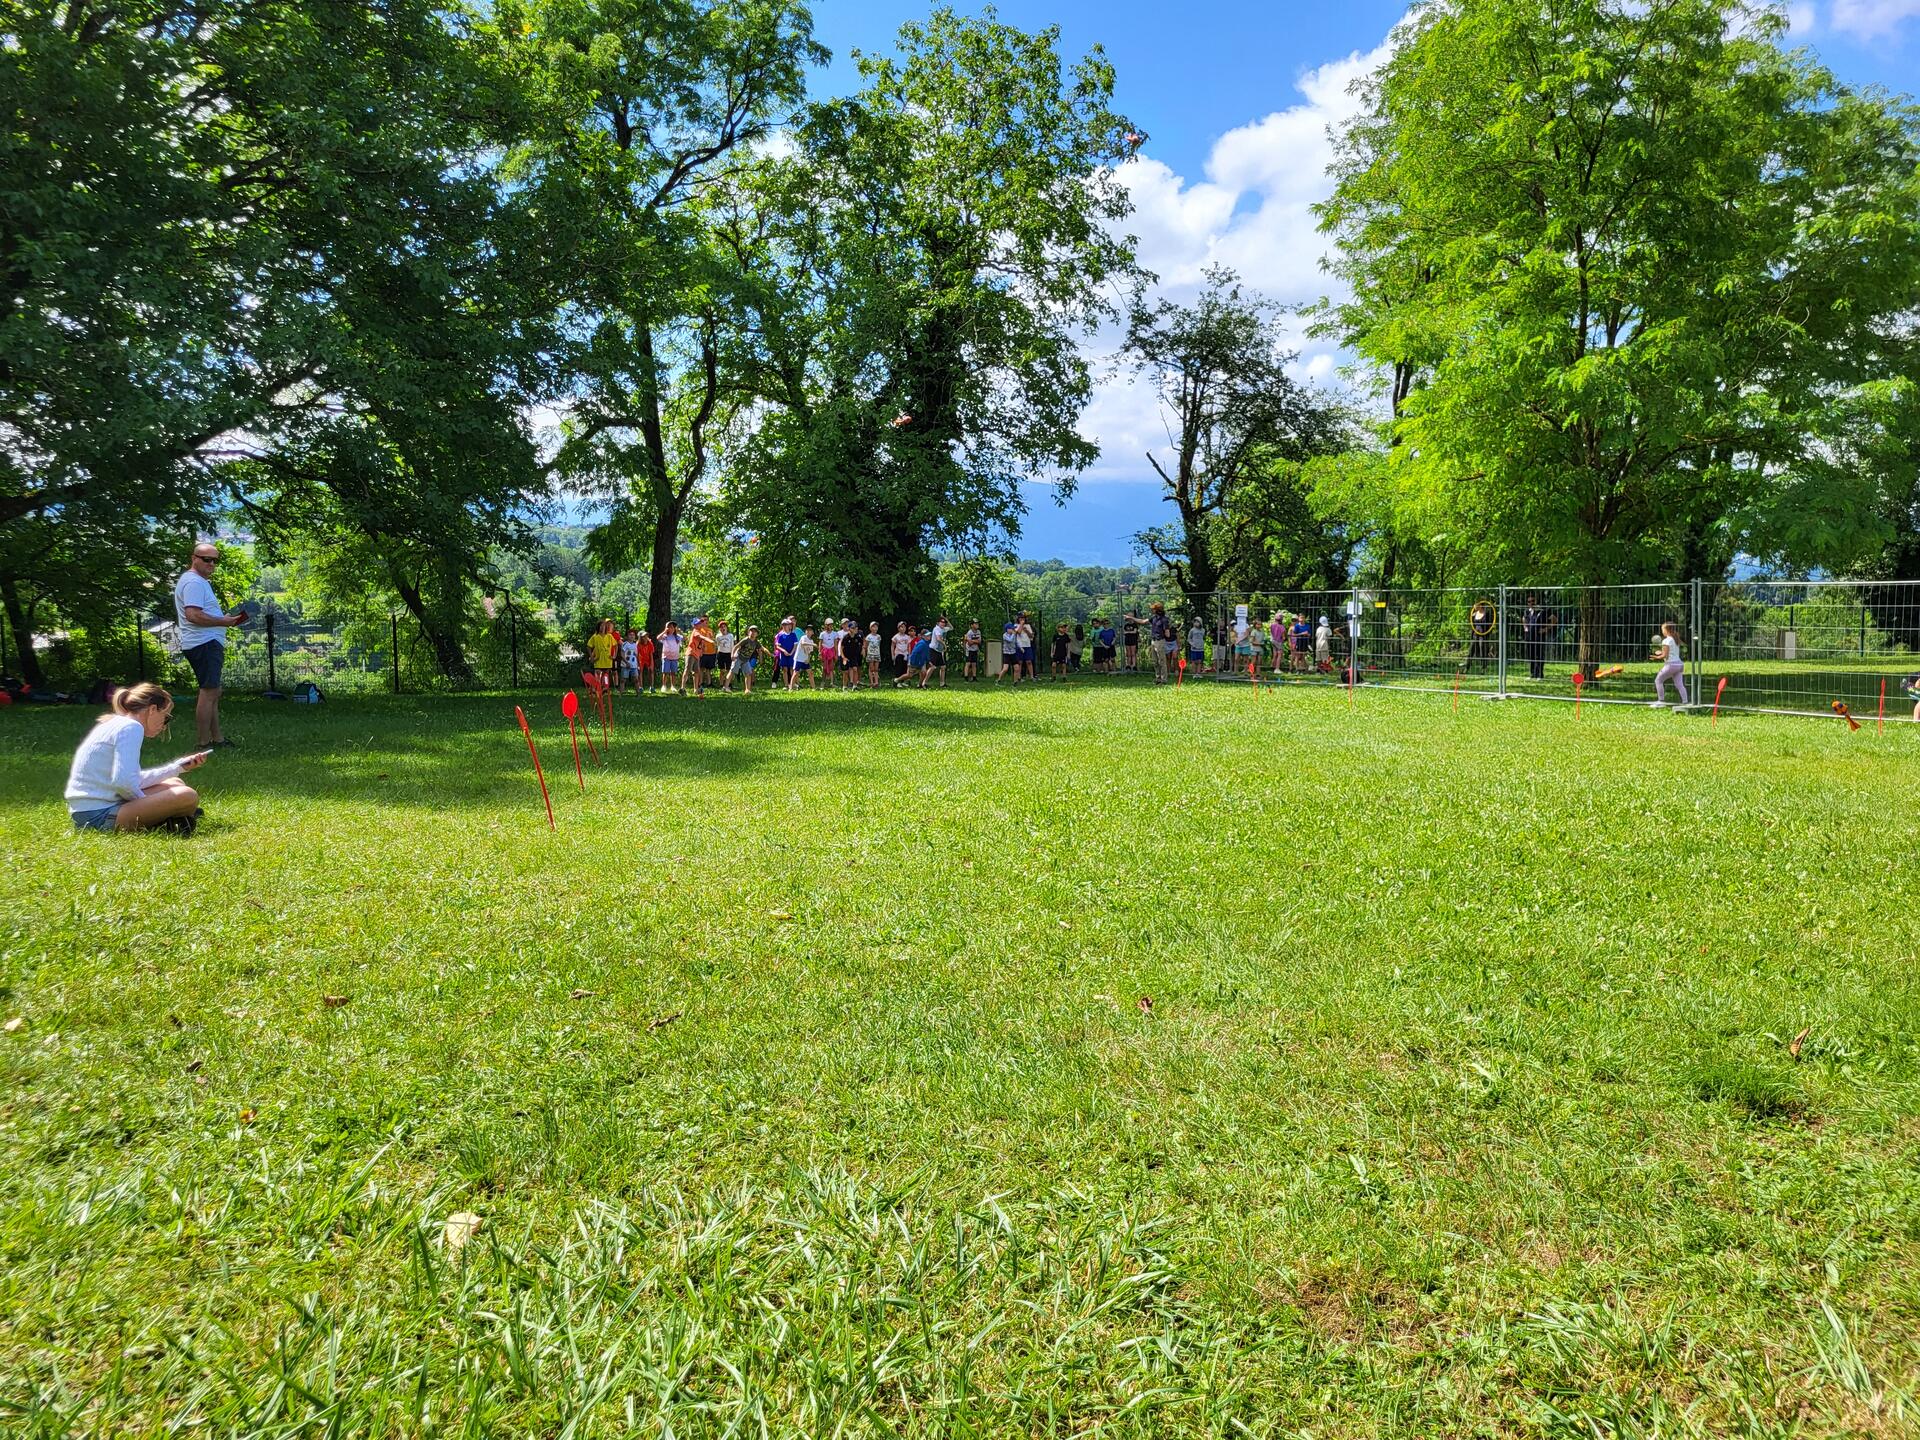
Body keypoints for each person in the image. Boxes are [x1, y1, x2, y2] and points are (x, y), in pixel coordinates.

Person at [65, 682, 207, 834]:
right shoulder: (132, 728)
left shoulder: (117, 723)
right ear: (152, 709)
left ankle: (169, 815)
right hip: (99, 817)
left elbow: (132, 779)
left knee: (175, 782)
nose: (164, 725)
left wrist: (177, 768)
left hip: (86, 812)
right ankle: (169, 815)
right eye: (165, 717)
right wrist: (145, 802)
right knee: (187, 795)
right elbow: (124, 782)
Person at [173, 542, 249, 747]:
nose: (212, 564)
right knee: (208, 693)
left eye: (216, 560)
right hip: (203, 643)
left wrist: (221, 619)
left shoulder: (197, 581)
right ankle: (204, 743)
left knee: (213, 691)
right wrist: (222, 621)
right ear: (194, 558)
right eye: (207, 559)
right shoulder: (194, 583)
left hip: (205, 642)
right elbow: (193, 615)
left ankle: (217, 738)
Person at [1651, 621, 1688, 707]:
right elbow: (1671, 652)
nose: (1662, 631)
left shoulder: (1666, 641)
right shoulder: (1676, 639)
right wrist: (1661, 652)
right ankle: (1685, 702)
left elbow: (1665, 656)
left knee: (1658, 680)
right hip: (1679, 665)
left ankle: (1661, 701)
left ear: (1667, 630)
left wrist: (1656, 657)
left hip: (1671, 665)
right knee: (1679, 684)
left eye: (1663, 629)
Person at [1521, 594, 1548, 681]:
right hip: (1529, 637)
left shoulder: (1541, 611)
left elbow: (1554, 619)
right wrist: (1525, 627)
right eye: (1529, 601)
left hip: (1539, 637)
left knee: (1539, 655)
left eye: (1533, 601)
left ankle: (1540, 674)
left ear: (1536, 601)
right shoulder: (1527, 611)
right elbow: (1523, 619)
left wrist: (1545, 629)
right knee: (1531, 655)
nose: (1531, 603)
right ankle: (1532, 674)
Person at [727, 626, 761, 694]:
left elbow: (761, 649)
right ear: (748, 632)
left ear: (757, 634)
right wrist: (732, 655)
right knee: (732, 671)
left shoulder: (756, 642)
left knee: (748, 674)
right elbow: (736, 646)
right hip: (738, 657)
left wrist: (763, 657)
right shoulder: (746, 640)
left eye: (755, 632)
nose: (753, 633)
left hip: (746, 659)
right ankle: (725, 687)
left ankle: (747, 690)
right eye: (751, 631)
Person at [588, 619, 619, 693]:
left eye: (604, 626)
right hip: (598, 660)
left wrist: (614, 655)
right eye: (601, 626)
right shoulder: (595, 637)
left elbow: (616, 645)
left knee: (606, 674)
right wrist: (592, 656)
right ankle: (595, 688)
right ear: (598, 627)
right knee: (598, 674)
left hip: (607, 660)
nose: (603, 627)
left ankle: (605, 688)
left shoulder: (609, 636)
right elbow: (589, 646)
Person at [1146, 602, 1172, 684]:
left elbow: (1167, 633)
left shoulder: (1164, 620)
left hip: (1160, 641)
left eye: (1153, 609)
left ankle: (1164, 679)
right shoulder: (1153, 618)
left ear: (1157, 610)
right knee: (1155, 661)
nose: (1152, 610)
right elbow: (1143, 621)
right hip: (1153, 641)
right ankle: (1158, 678)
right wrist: (1131, 618)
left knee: (1162, 661)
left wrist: (1165, 633)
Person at [656, 621, 683, 693]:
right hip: (666, 657)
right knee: (665, 672)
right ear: (666, 628)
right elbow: (658, 638)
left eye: (672, 627)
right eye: (669, 627)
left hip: (675, 657)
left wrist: (680, 632)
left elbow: (686, 639)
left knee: (673, 672)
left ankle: (673, 686)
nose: (671, 628)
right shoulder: (665, 636)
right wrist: (664, 631)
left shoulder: (678, 637)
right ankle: (664, 686)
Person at [1469, 599, 1495, 671]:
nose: (1475, 606)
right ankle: (1467, 666)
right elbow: (1472, 624)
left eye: (1476, 604)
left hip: (1483, 634)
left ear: (1480, 605)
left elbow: (1491, 625)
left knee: (1482, 650)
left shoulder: (1487, 614)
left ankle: (1483, 667)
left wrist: (1488, 633)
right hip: (1475, 634)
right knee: (1471, 649)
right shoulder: (1474, 614)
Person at [790, 626, 817, 690]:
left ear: (812, 632)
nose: (808, 631)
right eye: (807, 630)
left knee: (810, 673)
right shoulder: (803, 637)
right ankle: (790, 688)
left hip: (805, 659)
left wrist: (808, 659)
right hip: (798, 658)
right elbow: (803, 643)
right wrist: (813, 644)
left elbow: (809, 651)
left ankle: (813, 688)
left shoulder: (811, 640)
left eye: (810, 630)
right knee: (796, 673)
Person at [773, 617, 798, 685]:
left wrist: (791, 653)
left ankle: (792, 684)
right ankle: (786, 685)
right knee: (784, 669)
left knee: (792, 669)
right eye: (783, 625)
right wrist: (784, 651)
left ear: (790, 625)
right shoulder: (780, 635)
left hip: (792, 654)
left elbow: (795, 645)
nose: (785, 626)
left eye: (786, 624)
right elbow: (777, 646)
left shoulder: (793, 635)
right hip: (783, 655)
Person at [927, 615, 950, 687]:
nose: (943, 623)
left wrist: (946, 619)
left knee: (943, 667)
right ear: (938, 623)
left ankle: (942, 683)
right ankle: (924, 683)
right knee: (932, 667)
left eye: (944, 622)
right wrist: (945, 645)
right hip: (934, 650)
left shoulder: (943, 629)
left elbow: (952, 627)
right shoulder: (937, 629)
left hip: (939, 651)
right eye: (941, 622)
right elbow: (938, 638)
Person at [839, 620, 861, 689]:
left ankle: (855, 686)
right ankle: (844, 686)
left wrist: (862, 650)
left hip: (853, 656)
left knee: (855, 669)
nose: (855, 629)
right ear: (849, 629)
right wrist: (843, 657)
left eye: (856, 628)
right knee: (845, 672)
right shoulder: (846, 637)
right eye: (853, 628)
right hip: (845, 656)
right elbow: (841, 648)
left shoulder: (858, 637)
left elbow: (862, 644)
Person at [714, 620, 736, 689]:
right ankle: (721, 684)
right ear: (719, 629)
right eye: (721, 627)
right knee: (722, 670)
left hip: (729, 654)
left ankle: (729, 684)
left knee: (729, 670)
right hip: (721, 654)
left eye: (724, 626)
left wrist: (733, 654)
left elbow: (732, 645)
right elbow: (717, 645)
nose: (723, 628)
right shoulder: (718, 636)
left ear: (726, 627)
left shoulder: (730, 635)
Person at [819, 619, 840, 687]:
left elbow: (836, 644)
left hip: (831, 651)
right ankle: (823, 682)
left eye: (831, 625)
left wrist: (836, 654)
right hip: (825, 652)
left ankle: (832, 683)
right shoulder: (822, 634)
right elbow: (820, 644)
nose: (830, 626)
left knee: (831, 667)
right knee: (824, 668)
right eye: (828, 625)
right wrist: (819, 653)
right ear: (825, 625)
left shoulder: (835, 633)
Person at [634, 629, 656, 693]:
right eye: (643, 636)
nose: (645, 637)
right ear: (640, 637)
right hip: (641, 659)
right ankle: (641, 687)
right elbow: (637, 655)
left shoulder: (650, 643)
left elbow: (651, 654)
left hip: (648, 658)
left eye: (646, 636)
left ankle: (652, 687)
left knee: (651, 671)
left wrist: (651, 663)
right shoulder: (638, 644)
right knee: (640, 671)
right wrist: (638, 663)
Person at [864, 621, 883, 688]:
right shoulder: (868, 637)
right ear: (870, 628)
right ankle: (872, 683)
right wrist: (866, 654)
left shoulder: (879, 636)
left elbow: (879, 645)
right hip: (870, 654)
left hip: (877, 654)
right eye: (873, 626)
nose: (875, 628)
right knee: (871, 669)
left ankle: (876, 682)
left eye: (876, 627)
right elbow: (866, 646)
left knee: (876, 669)